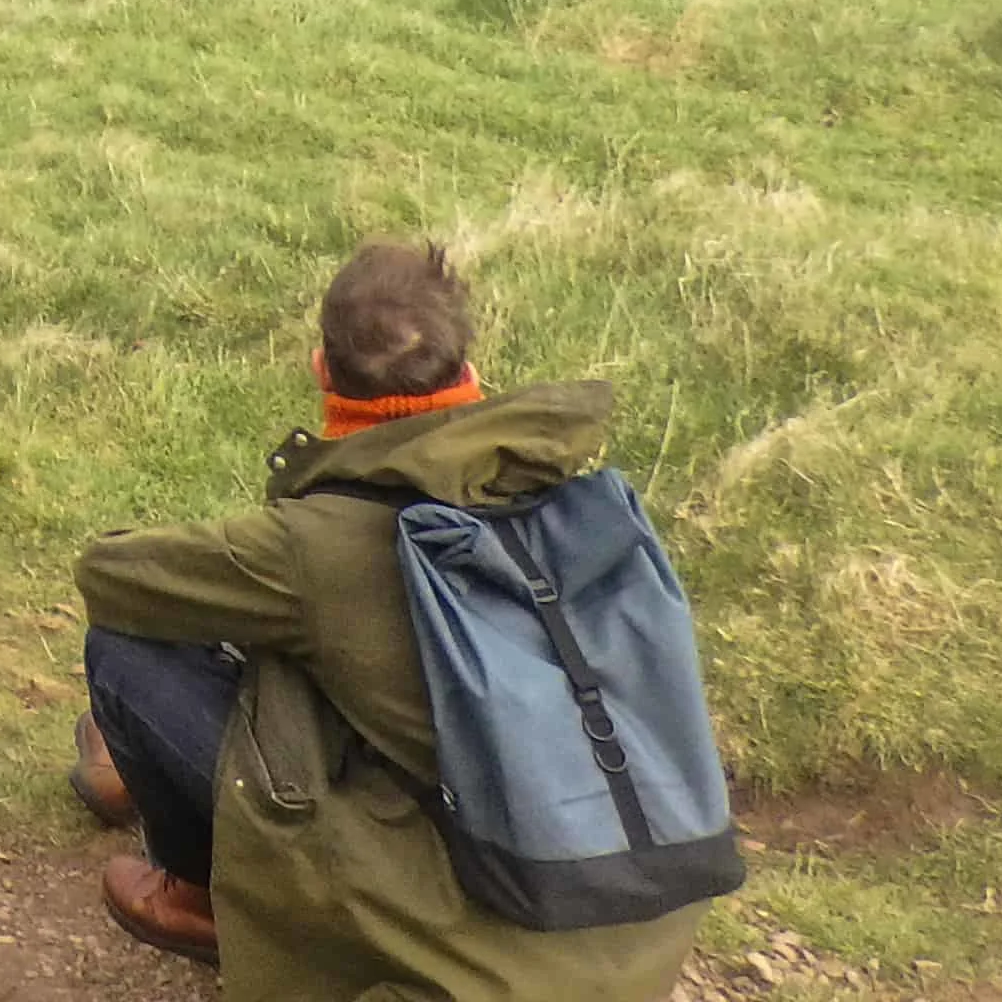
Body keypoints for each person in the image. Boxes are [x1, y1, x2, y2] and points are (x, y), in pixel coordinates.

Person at [67, 240, 710, 999]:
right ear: (468, 372)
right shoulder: (584, 500)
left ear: (320, 371)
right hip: (642, 927)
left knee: (139, 652)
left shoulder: (317, 544)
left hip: (485, 966)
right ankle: (136, 771)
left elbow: (111, 576)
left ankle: (201, 893)